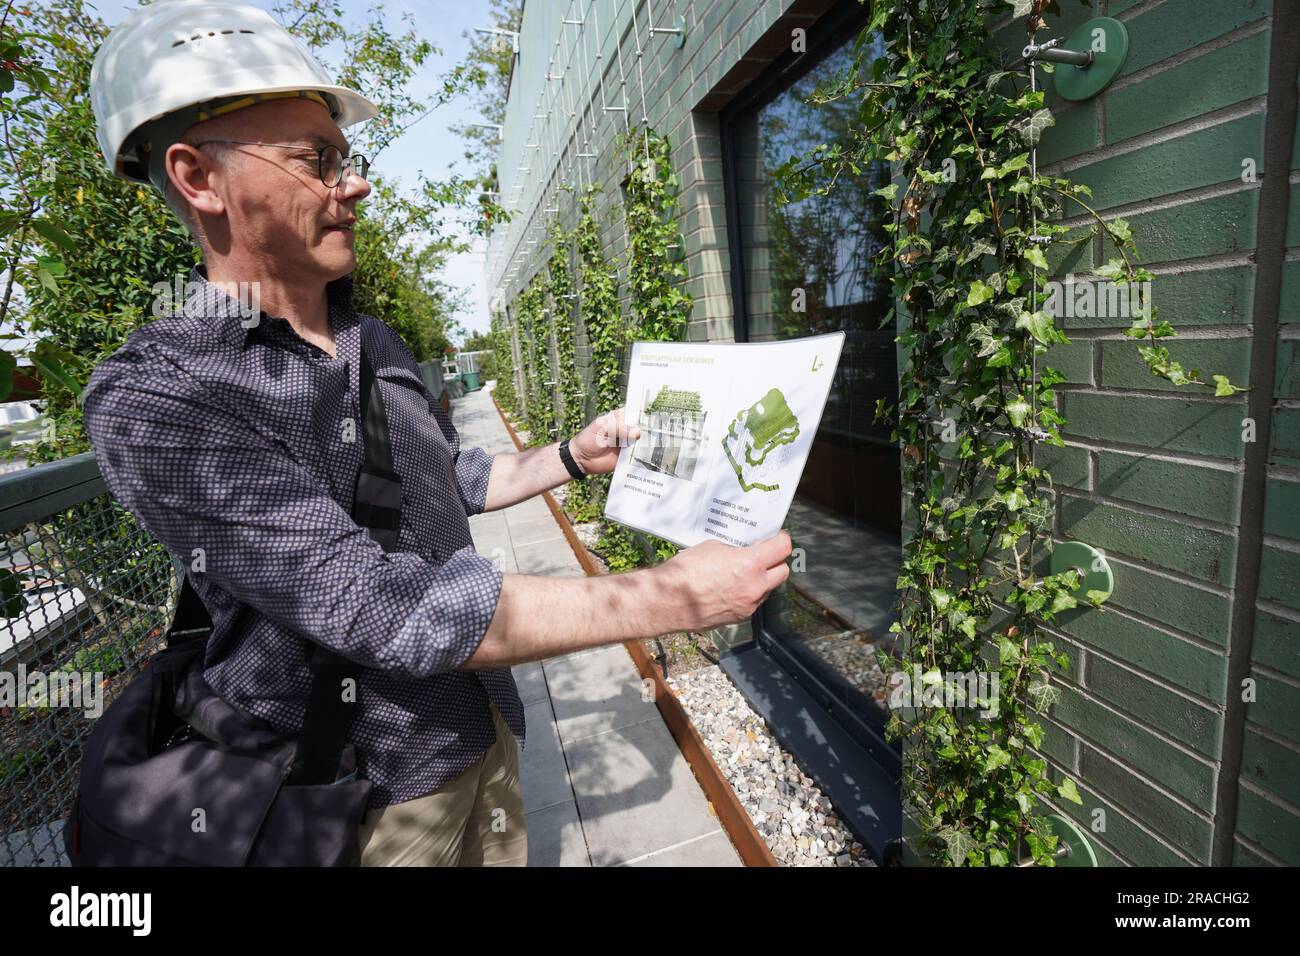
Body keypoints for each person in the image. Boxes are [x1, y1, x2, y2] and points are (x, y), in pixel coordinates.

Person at [83, 0, 791, 867]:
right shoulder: (158, 397)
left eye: (347, 157)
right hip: (355, 799)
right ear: (199, 178)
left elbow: (450, 478)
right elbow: (382, 611)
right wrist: (670, 598)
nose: (357, 184)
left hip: (480, 728)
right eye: (318, 159)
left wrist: (572, 455)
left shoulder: (372, 343)